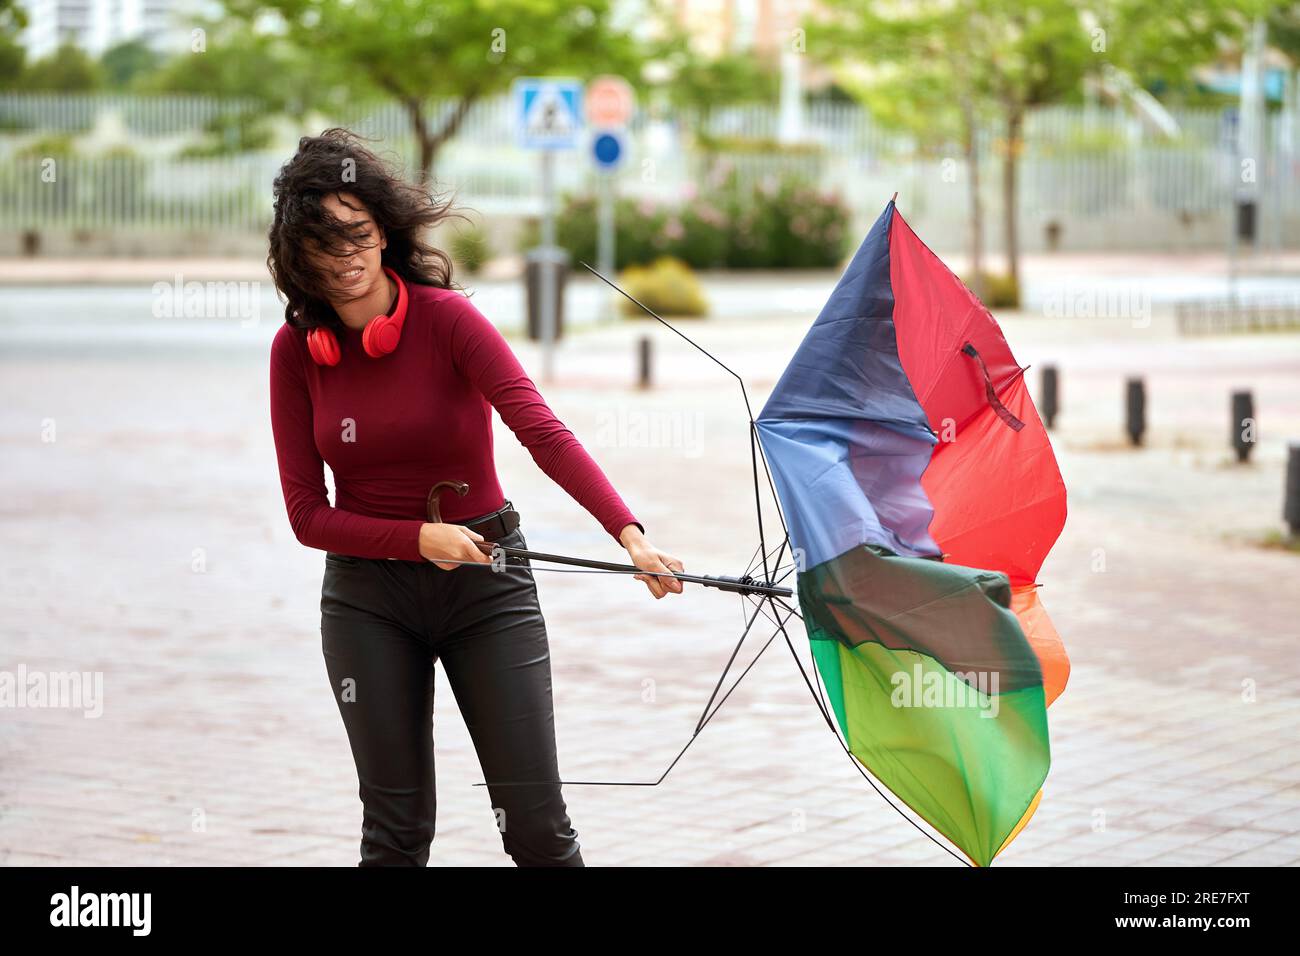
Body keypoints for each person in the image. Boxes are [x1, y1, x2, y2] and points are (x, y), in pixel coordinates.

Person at [266, 128, 684, 866]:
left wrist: (629, 533)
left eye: (359, 234)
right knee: (393, 835)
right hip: (368, 600)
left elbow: (542, 432)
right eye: (326, 246)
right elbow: (307, 515)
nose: (349, 257)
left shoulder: (448, 321)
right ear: (298, 259)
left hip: (487, 587)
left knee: (535, 826)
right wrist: (416, 539)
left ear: (385, 229)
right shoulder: (296, 352)